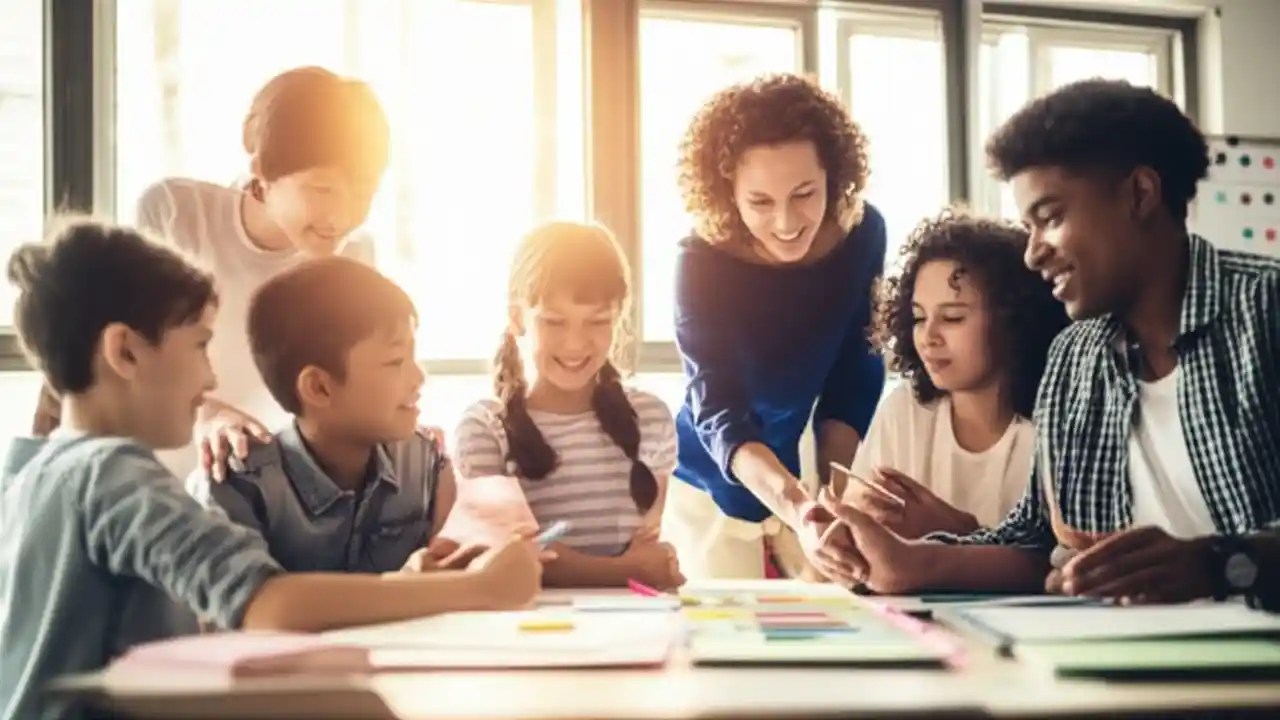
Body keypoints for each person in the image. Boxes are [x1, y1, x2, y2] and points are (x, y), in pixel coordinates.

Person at [0, 221, 542, 720]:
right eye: (201, 345)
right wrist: (479, 590)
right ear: (125, 352)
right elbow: (268, 605)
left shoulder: (30, 473)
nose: (211, 380)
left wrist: (405, 586)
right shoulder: (112, 473)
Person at [820, 79, 1280, 607]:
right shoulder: (1074, 358)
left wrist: (1223, 563)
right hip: (1123, 667)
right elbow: (1035, 544)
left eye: (1051, 218)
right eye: (1027, 226)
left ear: (1140, 194)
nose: (1033, 254)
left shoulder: (1264, 311)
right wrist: (908, 560)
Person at [32, 66, 391, 481]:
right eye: (322, 190)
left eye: (364, 193)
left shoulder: (355, 258)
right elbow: (118, 361)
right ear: (262, 171)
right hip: (150, 483)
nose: (342, 216)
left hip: (267, 496)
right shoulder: (177, 214)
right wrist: (208, 411)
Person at [663, 73, 885, 582]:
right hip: (709, 482)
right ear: (728, 196)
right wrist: (799, 506)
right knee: (728, 642)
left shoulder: (862, 234)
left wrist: (836, 501)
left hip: (798, 471)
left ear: (834, 175)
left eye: (805, 193)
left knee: (835, 621)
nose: (787, 222)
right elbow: (717, 408)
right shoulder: (700, 262)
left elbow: (854, 371)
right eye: (761, 202)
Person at [188, 257, 461, 573]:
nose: (418, 377)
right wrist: (405, 589)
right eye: (396, 361)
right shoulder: (236, 485)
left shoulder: (424, 461)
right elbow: (244, 611)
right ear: (319, 387)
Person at [453, 222, 684, 590]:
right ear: (517, 319)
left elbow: (645, 549)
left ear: (619, 317)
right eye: (554, 322)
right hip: (528, 625)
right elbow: (511, 555)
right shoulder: (485, 428)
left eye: (597, 321)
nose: (575, 343)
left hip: (627, 623)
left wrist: (645, 567)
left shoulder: (650, 419)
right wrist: (628, 571)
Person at [842, 209, 1069, 539]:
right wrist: (836, 542)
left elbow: (1060, 563)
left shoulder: (1058, 424)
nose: (929, 336)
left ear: (1013, 320)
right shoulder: (905, 410)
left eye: (952, 318)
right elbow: (854, 524)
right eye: (919, 318)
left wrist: (957, 531)